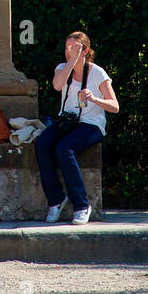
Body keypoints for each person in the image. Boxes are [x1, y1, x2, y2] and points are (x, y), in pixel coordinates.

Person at [35, 31, 119, 225]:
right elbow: (57, 85)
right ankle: (56, 199)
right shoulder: (62, 68)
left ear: (86, 50)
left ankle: (82, 205)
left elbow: (115, 106)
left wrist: (94, 98)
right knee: (42, 144)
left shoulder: (97, 73)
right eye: (67, 48)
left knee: (64, 149)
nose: (68, 52)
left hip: (91, 124)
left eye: (74, 48)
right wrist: (72, 62)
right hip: (68, 121)